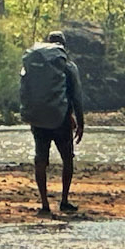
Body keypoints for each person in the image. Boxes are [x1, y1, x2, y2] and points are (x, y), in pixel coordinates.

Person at [19, 31, 85, 216]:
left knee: (41, 160)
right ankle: (64, 201)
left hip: (38, 119)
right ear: (63, 46)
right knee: (67, 158)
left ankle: (44, 203)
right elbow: (76, 96)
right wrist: (80, 121)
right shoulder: (68, 66)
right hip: (60, 119)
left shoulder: (35, 66)